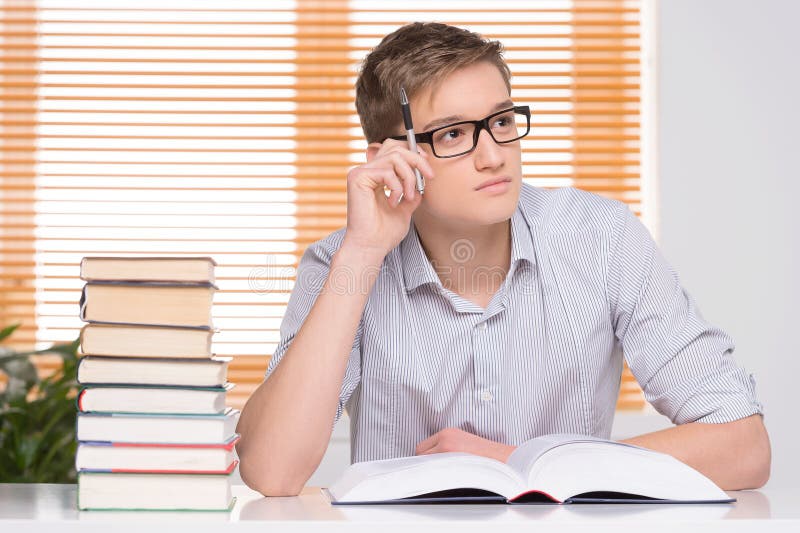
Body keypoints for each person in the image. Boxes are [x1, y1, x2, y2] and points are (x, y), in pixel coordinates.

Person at [236, 22, 770, 496]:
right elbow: (272, 472)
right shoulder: (342, 260)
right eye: (452, 134)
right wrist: (362, 252)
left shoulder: (602, 237)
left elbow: (743, 447)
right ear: (389, 158)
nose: (493, 155)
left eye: (502, 121)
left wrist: (524, 463)